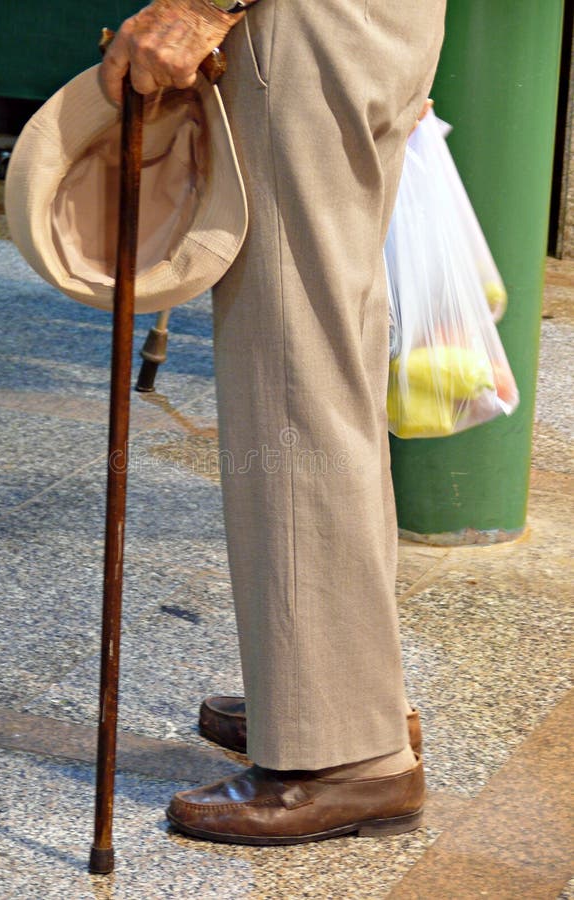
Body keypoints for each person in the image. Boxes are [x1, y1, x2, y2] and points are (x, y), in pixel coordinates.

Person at [101, 0, 447, 846]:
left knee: (294, 367)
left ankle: (344, 756)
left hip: (304, 26)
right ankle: (341, 696)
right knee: (325, 356)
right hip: (353, 24)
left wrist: (196, 6)